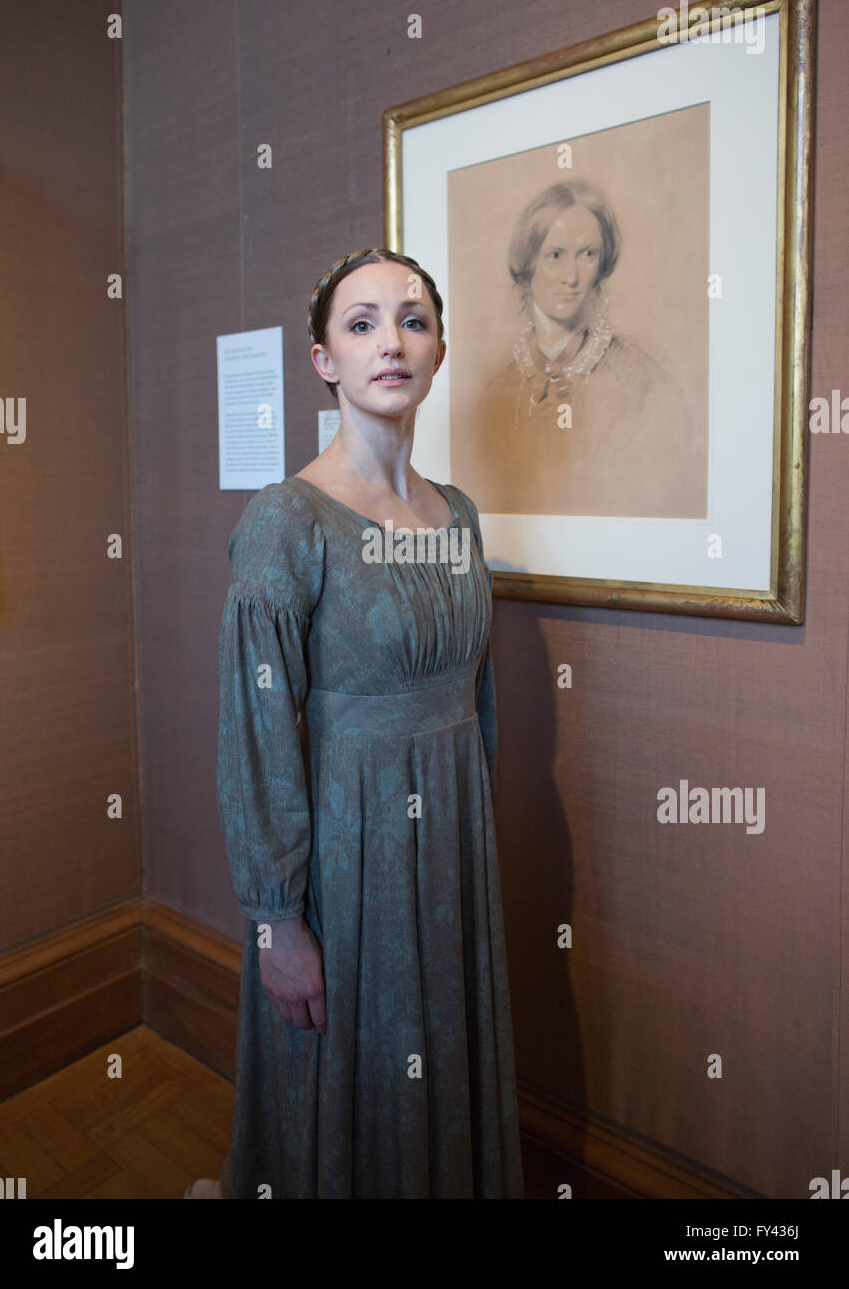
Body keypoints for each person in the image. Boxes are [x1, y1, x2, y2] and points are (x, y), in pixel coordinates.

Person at [210, 247, 525, 1199]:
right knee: (350, 1070)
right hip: (346, 869)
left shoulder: (459, 514)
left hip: (452, 855)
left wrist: (471, 845)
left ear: (438, 350)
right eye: (361, 324)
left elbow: (478, 703)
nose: (392, 341)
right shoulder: (287, 520)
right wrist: (277, 922)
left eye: (413, 319)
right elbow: (254, 731)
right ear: (325, 361)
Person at [469, 179, 702, 517]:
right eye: (554, 255)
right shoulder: (493, 395)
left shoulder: (648, 388)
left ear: (602, 263)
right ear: (528, 263)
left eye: (588, 254)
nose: (572, 276)